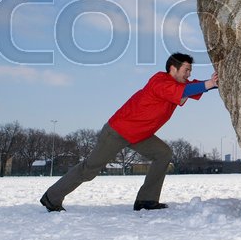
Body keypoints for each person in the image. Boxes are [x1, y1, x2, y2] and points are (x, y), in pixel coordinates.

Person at [40, 53, 218, 212]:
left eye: (190, 70)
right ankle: (51, 197)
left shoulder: (179, 84)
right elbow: (187, 90)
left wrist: (213, 83)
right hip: (117, 132)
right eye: (186, 70)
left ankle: (146, 200)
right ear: (173, 68)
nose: (189, 74)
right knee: (90, 169)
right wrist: (208, 84)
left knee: (163, 153)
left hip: (139, 135)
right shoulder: (160, 81)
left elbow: (194, 86)